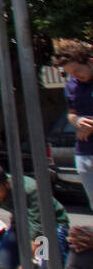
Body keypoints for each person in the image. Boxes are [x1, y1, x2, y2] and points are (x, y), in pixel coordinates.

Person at [0, 165, 69, 269]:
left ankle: (62, 253)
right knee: (3, 263)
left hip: (51, 226)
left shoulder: (29, 189)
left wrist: (27, 261)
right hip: (21, 225)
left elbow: (37, 229)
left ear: (7, 184)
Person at [54, 38, 93, 210]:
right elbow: (71, 114)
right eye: (70, 73)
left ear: (90, 62)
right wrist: (77, 121)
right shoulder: (71, 86)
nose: (75, 76)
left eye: (77, 71)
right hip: (84, 153)